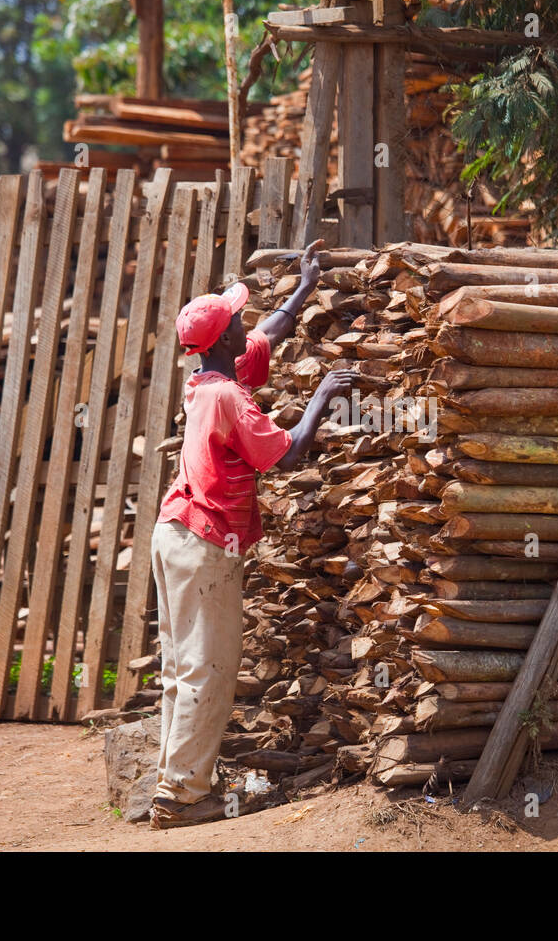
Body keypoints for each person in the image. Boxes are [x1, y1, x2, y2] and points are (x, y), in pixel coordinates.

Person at [149, 241, 355, 829]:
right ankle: (182, 797)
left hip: (176, 534)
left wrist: (306, 285)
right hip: (204, 543)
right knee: (208, 668)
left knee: (180, 667)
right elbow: (286, 456)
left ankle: (174, 782)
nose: (246, 326)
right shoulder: (230, 397)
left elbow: (272, 330)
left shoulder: (207, 377)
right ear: (220, 340)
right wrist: (321, 397)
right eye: (235, 321)